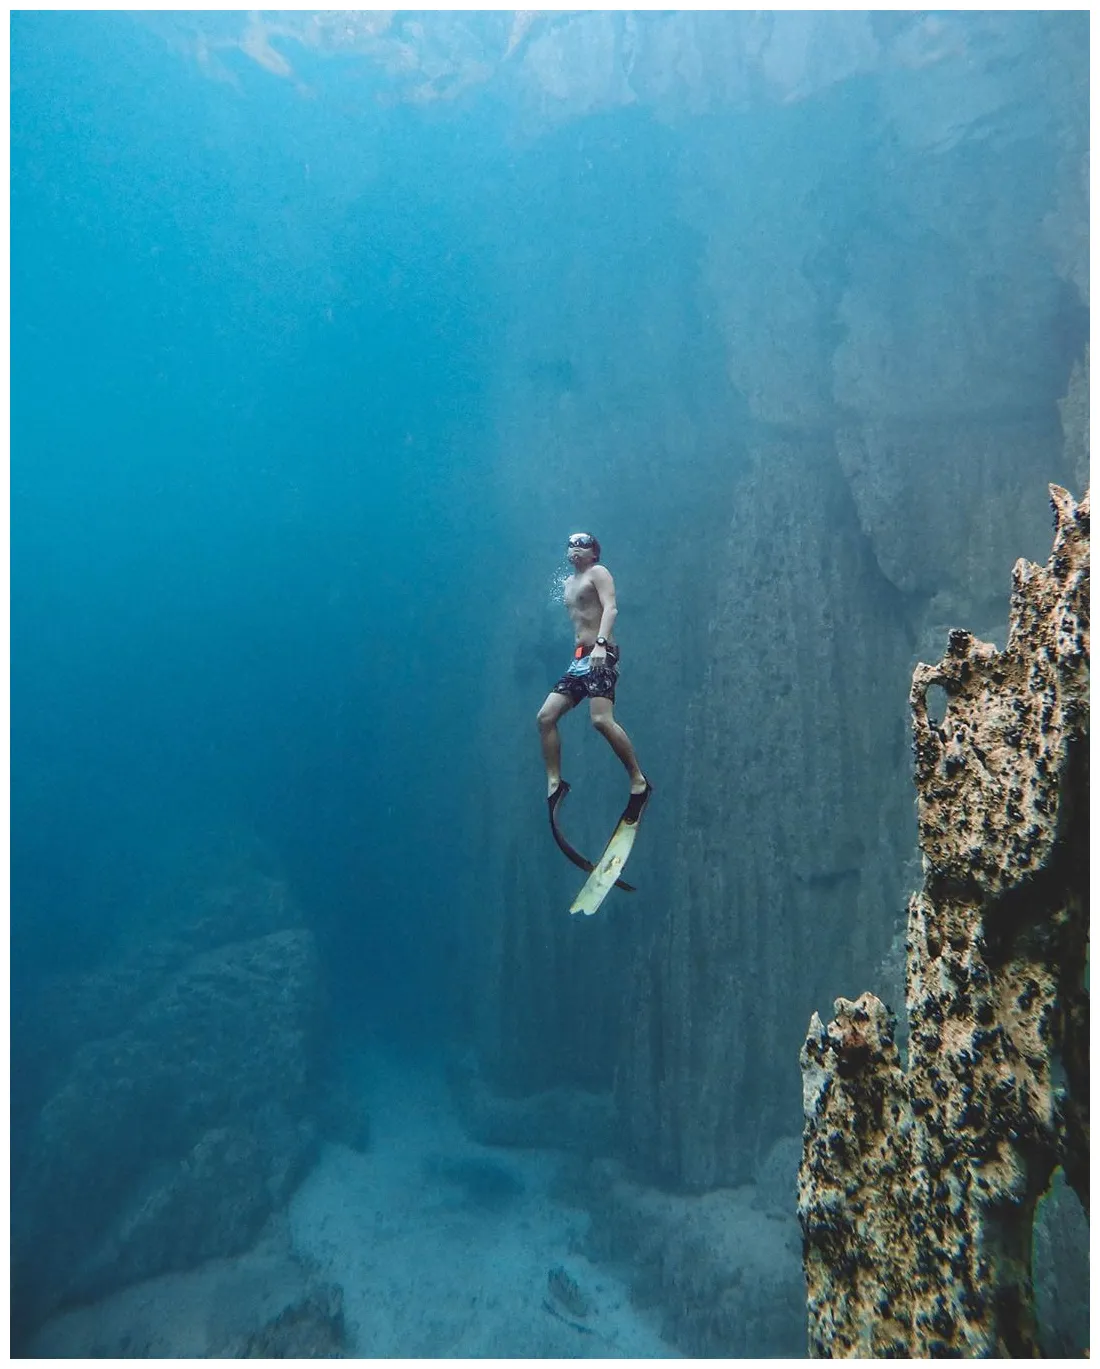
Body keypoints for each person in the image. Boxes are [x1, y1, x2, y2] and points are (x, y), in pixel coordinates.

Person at [537, 531, 650, 806]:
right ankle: (554, 782)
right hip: (578, 661)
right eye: (571, 543)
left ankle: (638, 780)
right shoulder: (566, 583)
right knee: (545, 717)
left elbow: (611, 608)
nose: (575, 547)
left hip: (601, 655)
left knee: (601, 720)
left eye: (583, 543)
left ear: (594, 552)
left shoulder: (598, 572)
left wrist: (601, 643)